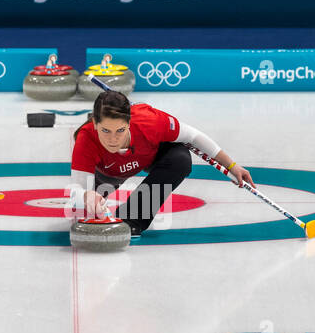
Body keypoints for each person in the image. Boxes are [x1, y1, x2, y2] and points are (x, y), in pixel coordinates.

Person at [70, 90, 253, 238]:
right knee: (82, 210)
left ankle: (132, 218)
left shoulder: (150, 121)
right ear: (94, 123)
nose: (113, 139)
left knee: (180, 159)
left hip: (147, 157)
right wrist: (86, 195)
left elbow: (193, 136)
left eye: (120, 130)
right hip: (106, 172)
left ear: (129, 122)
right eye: (105, 131)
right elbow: (76, 190)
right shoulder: (86, 138)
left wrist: (232, 165)